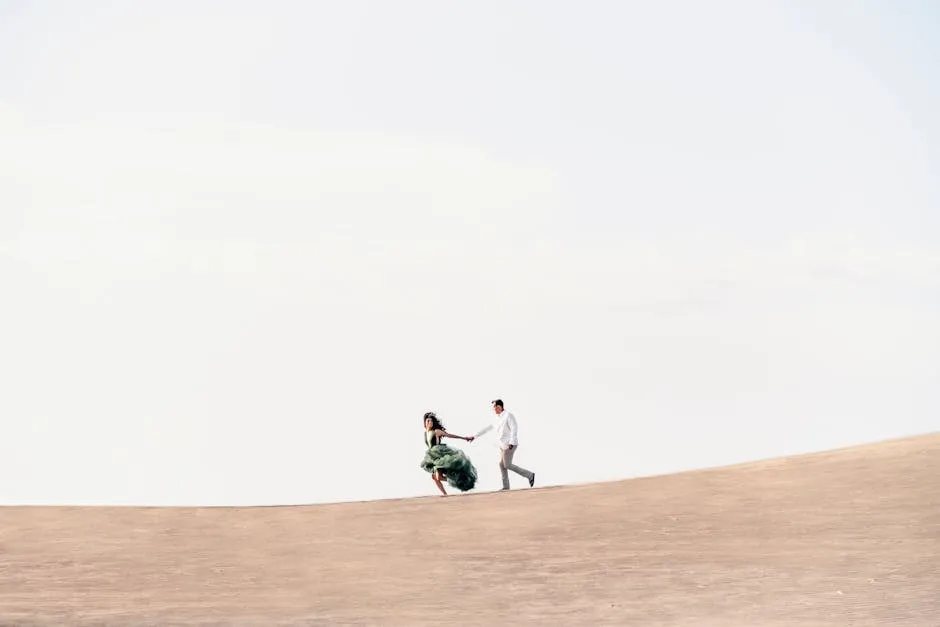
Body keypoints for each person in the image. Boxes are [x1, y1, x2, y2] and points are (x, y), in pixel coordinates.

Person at [473, 399, 535, 490]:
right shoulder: (496, 418)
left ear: (499, 407)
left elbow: (514, 428)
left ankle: (530, 475)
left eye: (494, 407)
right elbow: (487, 429)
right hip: (502, 445)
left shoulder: (508, 415)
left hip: (510, 444)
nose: (493, 409)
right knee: (501, 464)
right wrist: (474, 436)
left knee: (507, 465)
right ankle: (506, 487)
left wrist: (511, 441)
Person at [420, 412, 478, 497]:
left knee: (437, 477)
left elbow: (450, 435)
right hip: (431, 456)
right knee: (435, 477)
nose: (430, 423)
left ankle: (458, 480)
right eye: (428, 421)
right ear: (425, 422)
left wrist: (465, 438)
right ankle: (445, 494)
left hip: (439, 454)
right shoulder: (425, 433)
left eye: (431, 421)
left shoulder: (436, 431)